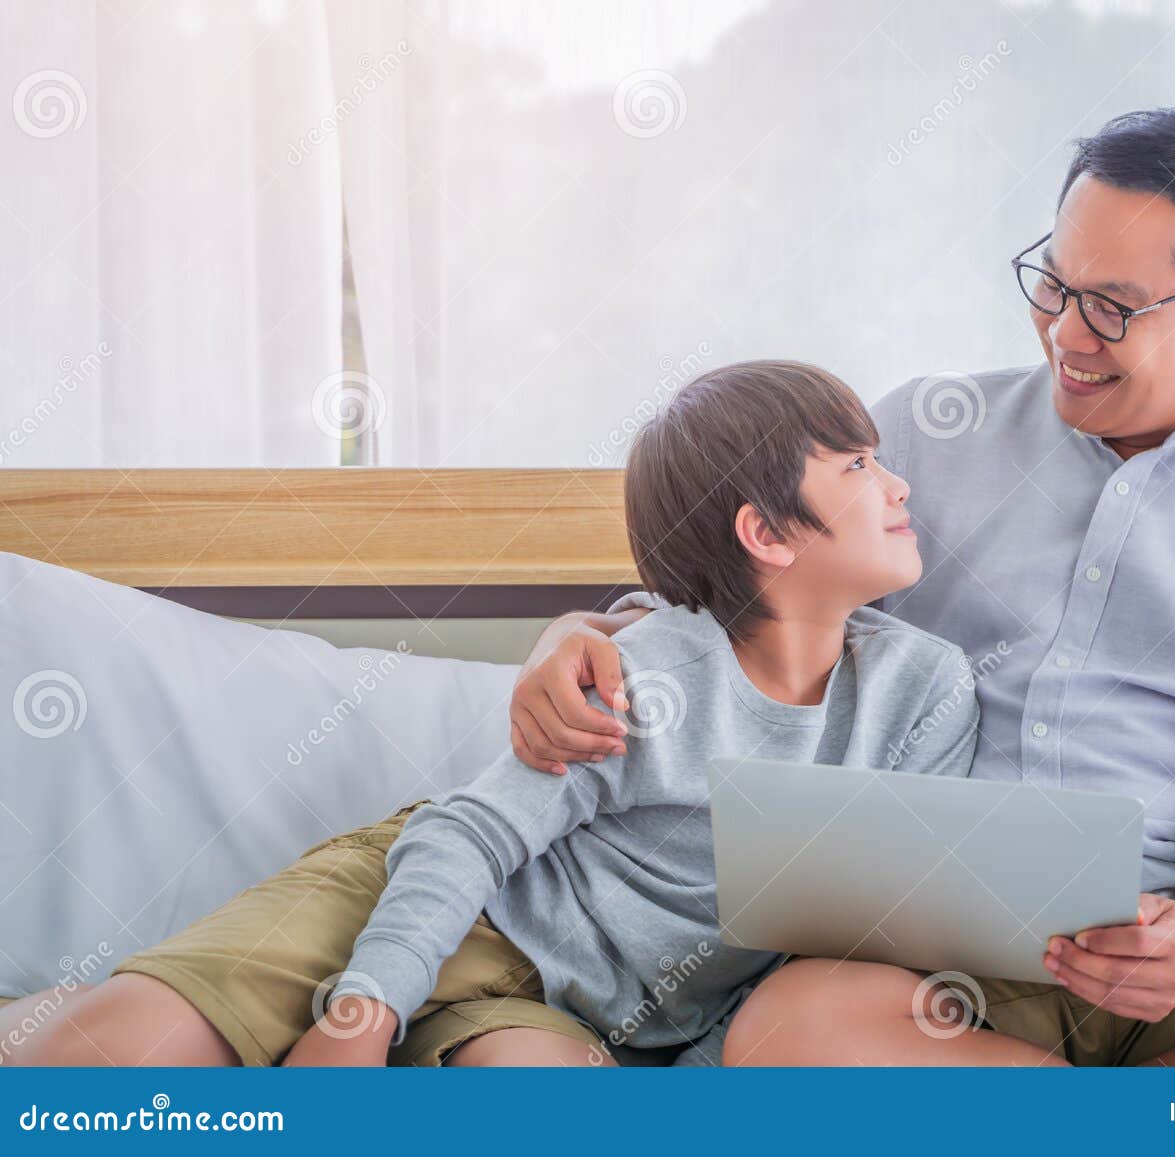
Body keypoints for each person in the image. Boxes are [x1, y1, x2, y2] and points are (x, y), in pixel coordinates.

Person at [506, 108, 1175, 1067]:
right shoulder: (926, 434)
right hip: (940, 950)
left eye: (1114, 308)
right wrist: (582, 631)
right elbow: (754, 612)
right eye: (1054, 285)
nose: (1065, 334)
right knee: (781, 1030)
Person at [4, 361, 980, 1067]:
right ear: (764, 532)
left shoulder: (925, 694)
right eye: (854, 466)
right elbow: (466, 834)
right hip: (431, 909)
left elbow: (851, 940)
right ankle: (50, 1015)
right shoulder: (648, 669)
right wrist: (360, 1011)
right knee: (110, 1069)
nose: (895, 484)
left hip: (570, 1012)